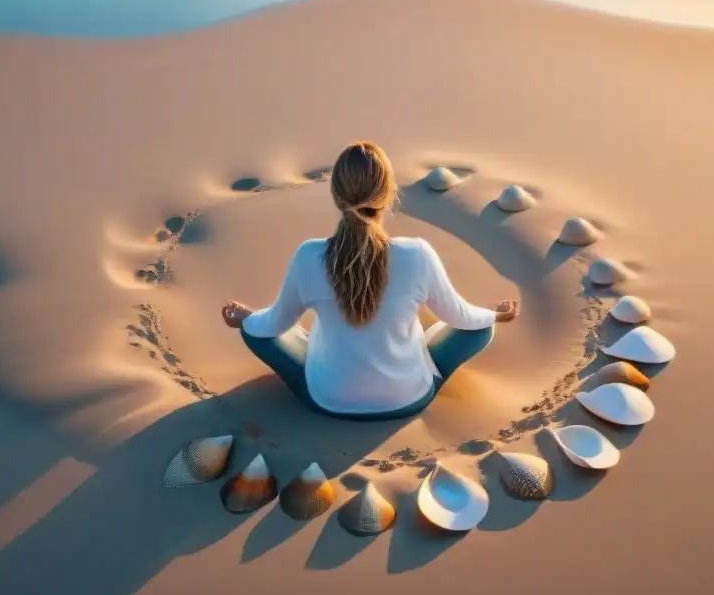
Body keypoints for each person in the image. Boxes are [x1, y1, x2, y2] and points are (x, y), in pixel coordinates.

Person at [221, 141, 519, 421]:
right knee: (479, 329)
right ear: (388, 195)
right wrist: (494, 315)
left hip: (328, 401)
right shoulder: (417, 253)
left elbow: (274, 325)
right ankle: (418, 369)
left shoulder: (309, 256)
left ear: (337, 196)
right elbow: (461, 317)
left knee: (257, 331)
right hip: (409, 399)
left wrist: (246, 320)